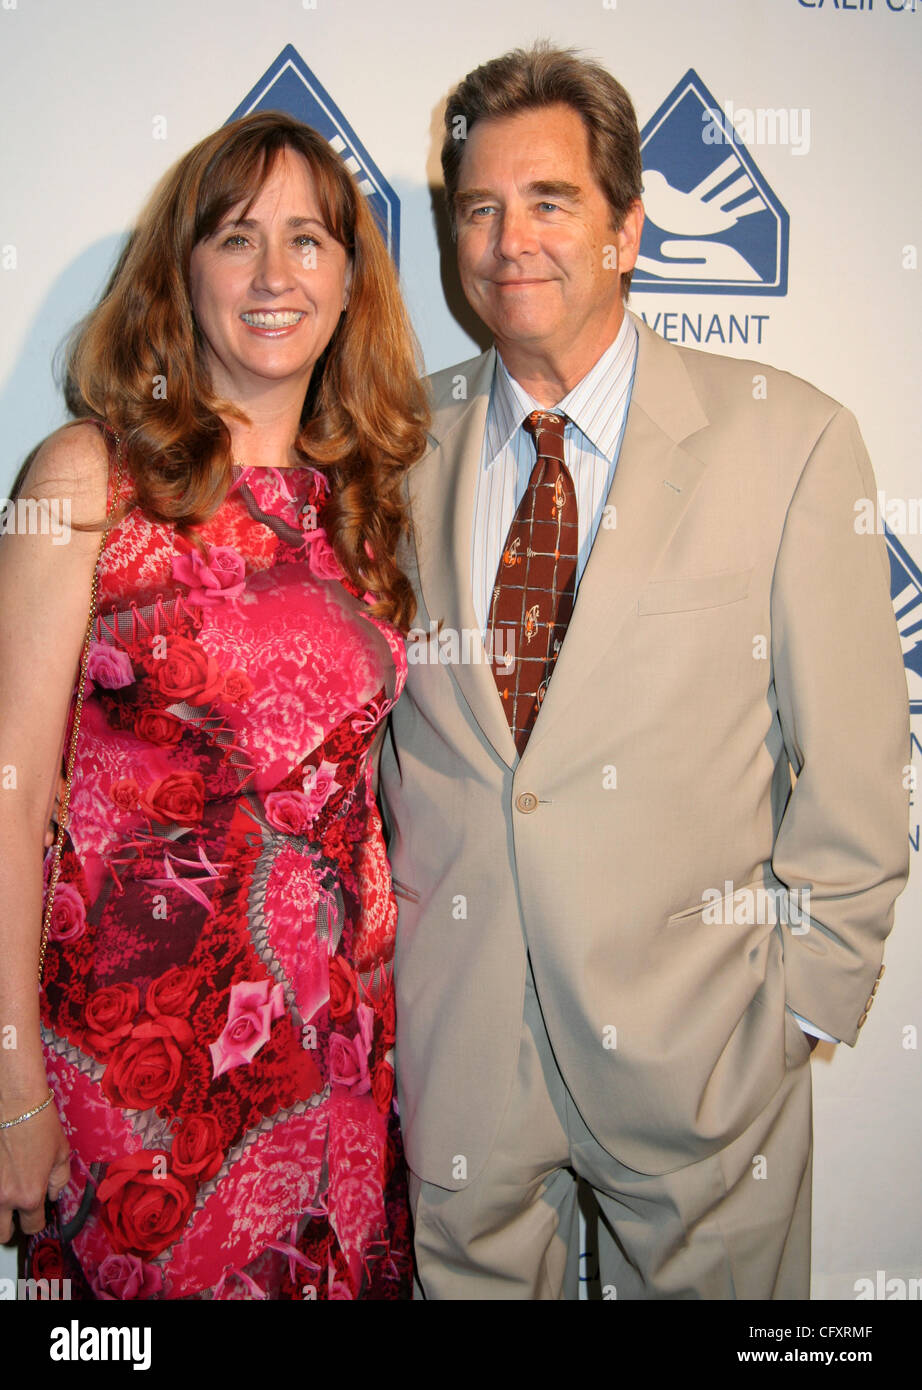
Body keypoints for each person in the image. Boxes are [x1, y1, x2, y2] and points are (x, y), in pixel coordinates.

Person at [378, 45, 910, 1299]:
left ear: (626, 228)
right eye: (479, 206)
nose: (511, 239)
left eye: (550, 201)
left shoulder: (791, 439)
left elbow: (854, 769)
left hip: (705, 1072)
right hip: (460, 1056)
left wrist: (800, 1013)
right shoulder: (395, 441)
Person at [0, 110, 428, 1300]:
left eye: (309, 240)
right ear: (183, 273)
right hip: (131, 1080)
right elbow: (9, 795)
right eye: (239, 238)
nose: (276, 275)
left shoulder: (361, 509)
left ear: (351, 281)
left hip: (335, 1063)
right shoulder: (88, 480)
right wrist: (10, 1082)